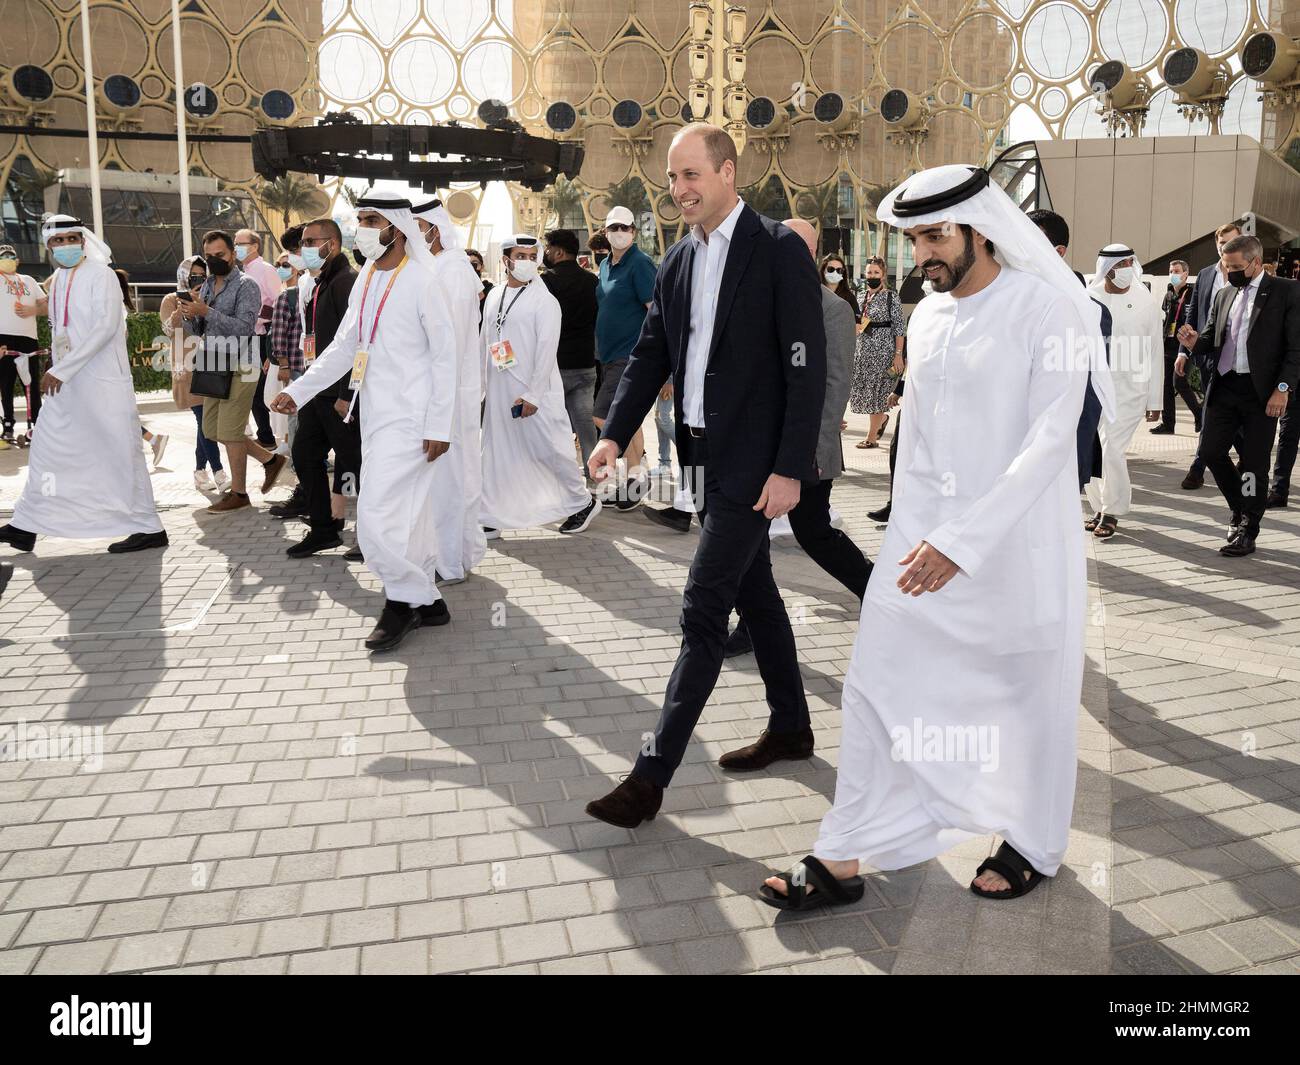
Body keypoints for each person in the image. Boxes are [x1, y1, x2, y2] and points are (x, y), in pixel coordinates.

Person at [759, 164, 1113, 910]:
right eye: (915, 238)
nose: (924, 253)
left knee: (1023, 697)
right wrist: (907, 541)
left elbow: (1053, 440)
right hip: (924, 545)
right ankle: (843, 852)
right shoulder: (928, 317)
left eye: (935, 235)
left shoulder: (1046, 308)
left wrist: (967, 539)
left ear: (980, 228)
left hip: (1017, 549)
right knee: (874, 682)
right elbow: (915, 446)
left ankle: (1031, 838)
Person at [583, 122, 826, 828]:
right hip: (698, 457)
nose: (679, 190)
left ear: (727, 172)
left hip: (754, 467)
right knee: (760, 594)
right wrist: (615, 434)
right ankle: (792, 727)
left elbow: (804, 367)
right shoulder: (678, 261)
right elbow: (649, 354)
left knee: (702, 610)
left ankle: (650, 776)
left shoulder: (778, 249)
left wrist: (790, 469)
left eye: (691, 175)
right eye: (671, 179)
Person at [272, 193, 458, 650]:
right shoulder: (368, 278)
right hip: (375, 415)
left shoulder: (423, 279)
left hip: (414, 421)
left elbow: (446, 357)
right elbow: (344, 347)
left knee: (374, 519)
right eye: (358, 220)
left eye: (371, 219)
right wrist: (298, 391)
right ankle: (428, 602)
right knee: (405, 517)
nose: (363, 228)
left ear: (396, 226)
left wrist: (440, 424)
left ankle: (400, 604)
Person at [725, 219, 873, 658]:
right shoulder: (757, 298)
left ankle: (875, 590)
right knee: (744, 538)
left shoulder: (833, 309)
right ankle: (755, 622)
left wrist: (812, 449)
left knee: (813, 531)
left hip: (806, 448)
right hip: (755, 446)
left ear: (807, 253)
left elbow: (835, 384)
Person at [0, 216, 167, 554]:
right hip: (66, 380)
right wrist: (57, 365)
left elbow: (105, 327)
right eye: (58, 241)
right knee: (48, 446)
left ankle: (148, 526)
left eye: (71, 238)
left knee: (120, 451)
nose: (65, 246)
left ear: (83, 239)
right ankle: (27, 523)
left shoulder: (101, 274)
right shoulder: (58, 279)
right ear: (49, 246)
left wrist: (65, 369)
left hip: (102, 380)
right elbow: (61, 328)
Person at [1176, 234, 1300, 557]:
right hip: (1225, 387)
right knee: (1211, 451)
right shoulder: (1224, 294)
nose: (1228, 271)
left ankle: (1248, 528)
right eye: (1225, 265)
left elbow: (1295, 349)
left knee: (1253, 464)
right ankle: (1239, 507)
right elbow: (1210, 337)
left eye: (1234, 266)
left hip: (1262, 394)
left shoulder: (1286, 291)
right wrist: (1192, 342)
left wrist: (1283, 389)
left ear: (1255, 262)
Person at [479, 234, 601, 538]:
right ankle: (491, 514)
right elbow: (485, 342)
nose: (527, 261)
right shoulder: (494, 294)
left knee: (549, 450)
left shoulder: (545, 301)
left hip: (535, 393)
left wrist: (533, 394)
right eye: (519, 255)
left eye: (532, 256)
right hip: (499, 388)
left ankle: (581, 501)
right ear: (505, 260)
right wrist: (479, 388)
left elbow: (547, 352)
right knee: (496, 452)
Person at [179, 229, 287, 512]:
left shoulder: (246, 285)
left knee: (229, 429)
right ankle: (270, 460)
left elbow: (244, 328)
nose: (215, 260)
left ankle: (239, 493)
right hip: (212, 360)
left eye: (221, 255)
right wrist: (189, 315)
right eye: (210, 256)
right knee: (212, 429)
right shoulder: (204, 287)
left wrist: (206, 312)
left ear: (233, 254)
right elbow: (199, 330)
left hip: (242, 363)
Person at [412, 196, 486, 584]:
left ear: (434, 231)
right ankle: (437, 553)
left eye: (417, 229)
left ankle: (450, 560)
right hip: (436, 393)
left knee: (452, 479)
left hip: (452, 395)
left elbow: (451, 343)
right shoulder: (432, 267)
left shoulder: (454, 271)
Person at [280, 217, 361, 556]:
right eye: (304, 242)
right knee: (303, 453)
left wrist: (347, 393)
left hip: (340, 394)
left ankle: (371, 536)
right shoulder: (318, 284)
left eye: (313, 241)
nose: (306, 248)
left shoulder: (346, 283)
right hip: (318, 390)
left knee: (356, 464)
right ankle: (323, 527)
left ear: (333, 244)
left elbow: (357, 345)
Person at [1027, 208, 1115, 492]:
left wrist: (1074, 463)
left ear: (1059, 251)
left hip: (1054, 456)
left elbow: (1087, 396)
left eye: (1031, 240)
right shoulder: (999, 298)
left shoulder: (1089, 313)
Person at [1083, 244, 1163, 538]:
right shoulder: (1088, 298)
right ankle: (1098, 506)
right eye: (1124, 263)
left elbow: (1156, 352)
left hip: (1131, 389)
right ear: (1109, 268)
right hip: (1092, 388)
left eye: (1132, 262)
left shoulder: (1146, 301)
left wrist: (1157, 400)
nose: (1130, 268)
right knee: (1091, 448)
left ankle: (1113, 510)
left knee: (1113, 448)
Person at [594, 205, 657, 509]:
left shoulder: (640, 263)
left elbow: (656, 313)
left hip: (630, 354)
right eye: (614, 228)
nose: (619, 233)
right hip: (608, 354)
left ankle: (638, 473)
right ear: (605, 232)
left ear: (633, 232)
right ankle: (635, 476)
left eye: (625, 228)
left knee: (605, 415)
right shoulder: (605, 265)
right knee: (624, 415)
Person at [1180, 222, 1245, 490]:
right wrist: (1184, 351)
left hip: (1241, 359)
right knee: (1212, 411)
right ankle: (1236, 458)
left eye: (1230, 243)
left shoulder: (1248, 274)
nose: (1224, 248)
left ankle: (1199, 465)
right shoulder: (1206, 274)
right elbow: (1193, 313)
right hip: (1208, 357)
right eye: (1221, 244)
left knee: (1228, 414)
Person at [160, 254, 227, 492]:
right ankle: (219, 472)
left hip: (210, 364)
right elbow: (169, 330)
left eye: (202, 274)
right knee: (203, 420)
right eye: (193, 275)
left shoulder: (211, 299)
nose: (198, 279)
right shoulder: (170, 299)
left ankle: (200, 471)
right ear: (183, 276)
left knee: (206, 423)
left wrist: (203, 306)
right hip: (187, 369)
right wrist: (182, 309)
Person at [541, 228, 600, 470]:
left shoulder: (547, 281)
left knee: (555, 423)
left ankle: (561, 474)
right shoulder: (592, 281)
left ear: (558, 252)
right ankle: (593, 470)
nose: (545, 253)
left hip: (557, 364)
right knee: (585, 421)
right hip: (586, 363)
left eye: (548, 249)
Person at [116, 269, 170, 467]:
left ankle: (152, 441)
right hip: (114, 370)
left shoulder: (115, 307)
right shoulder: (118, 306)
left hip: (113, 370)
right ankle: (153, 440)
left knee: (116, 414)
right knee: (118, 414)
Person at [850, 256, 905, 449]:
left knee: (878, 394)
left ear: (882, 275)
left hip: (884, 353)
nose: (872, 275)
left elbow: (899, 328)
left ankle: (871, 437)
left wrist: (898, 354)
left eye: (876, 272)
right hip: (862, 352)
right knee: (867, 394)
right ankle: (880, 421)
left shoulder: (891, 297)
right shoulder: (859, 297)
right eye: (869, 272)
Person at [234, 228, 280, 452]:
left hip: (262, 338)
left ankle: (268, 437)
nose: (236, 247)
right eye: (235, 243)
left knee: (259, 390)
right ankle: (265, 435)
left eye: (240, 243)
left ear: (254, 246)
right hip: (246, 339)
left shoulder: (265, 269)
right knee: (250, 390)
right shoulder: (241, 272)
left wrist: (258, 317)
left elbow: (278, 302)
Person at [0, 242, 44, 446]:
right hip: (3, 338)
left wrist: (32, 311)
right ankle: (7, 426)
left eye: (10, 257)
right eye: (3, 257)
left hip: (29, 338)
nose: (7, 260)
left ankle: (36, 425)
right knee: (5, 384)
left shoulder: (29, 280)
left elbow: (47, 304)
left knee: (32, 384)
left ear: (17, 261)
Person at [266, 226, 304, 456]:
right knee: (295, 414)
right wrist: (284, 365)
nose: (282, 269)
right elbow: (278, 334)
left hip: (310, 366)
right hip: (295, 367)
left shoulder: (309, 290)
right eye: (279, 265)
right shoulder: (286, 296)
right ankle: (296, 455)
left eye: (286, 264)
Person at [1153, 259, 1201, 435]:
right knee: (1166, 385)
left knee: (1179, 382)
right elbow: (1165, 319)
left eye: (1176, 271)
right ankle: (1168, 424)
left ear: (1186, 274)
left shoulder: (1192, 294)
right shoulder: (1168, 295)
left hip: (1185, 346)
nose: (1173, 274)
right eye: (1170, 271)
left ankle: (1200, 414)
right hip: (1168, 345)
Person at [819, 252, 859, 321]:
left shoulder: (849, 297)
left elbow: (857, 323)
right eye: (830, 269)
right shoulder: (816, 293)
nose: (835, 273)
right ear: (823, 270)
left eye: (839, 270)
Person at [465, 247, 492, 328]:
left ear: (482, 267)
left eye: (475, 263)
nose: (471, 268)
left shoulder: (491, 291)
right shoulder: (458, 294)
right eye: (467, 264)